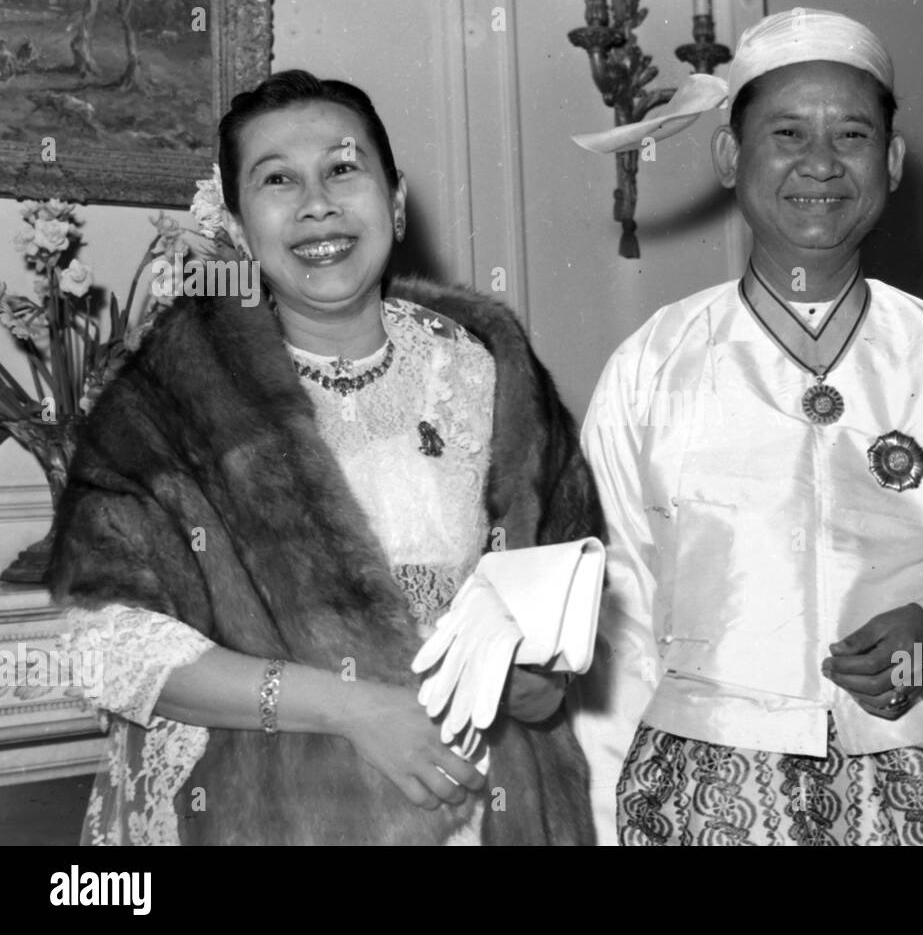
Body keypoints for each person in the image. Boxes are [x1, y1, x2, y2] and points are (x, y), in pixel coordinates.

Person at [571, 8, 923, 845]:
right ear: (728, 157)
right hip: (707, 783)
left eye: (851, 135)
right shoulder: (654, 363)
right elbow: (616, 620)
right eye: (786, 132)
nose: (819, 162)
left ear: (890, 163)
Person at [50, 70, 601, 845]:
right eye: (278, 180)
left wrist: (540, 680)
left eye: (344, 168)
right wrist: (355, 708)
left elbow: (557, 610)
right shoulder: (171, 395)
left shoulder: (491, 371)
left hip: (474, 802)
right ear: (239, 229)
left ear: (396, 198)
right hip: (260, 806)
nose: (318, 203)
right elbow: (103, 646)